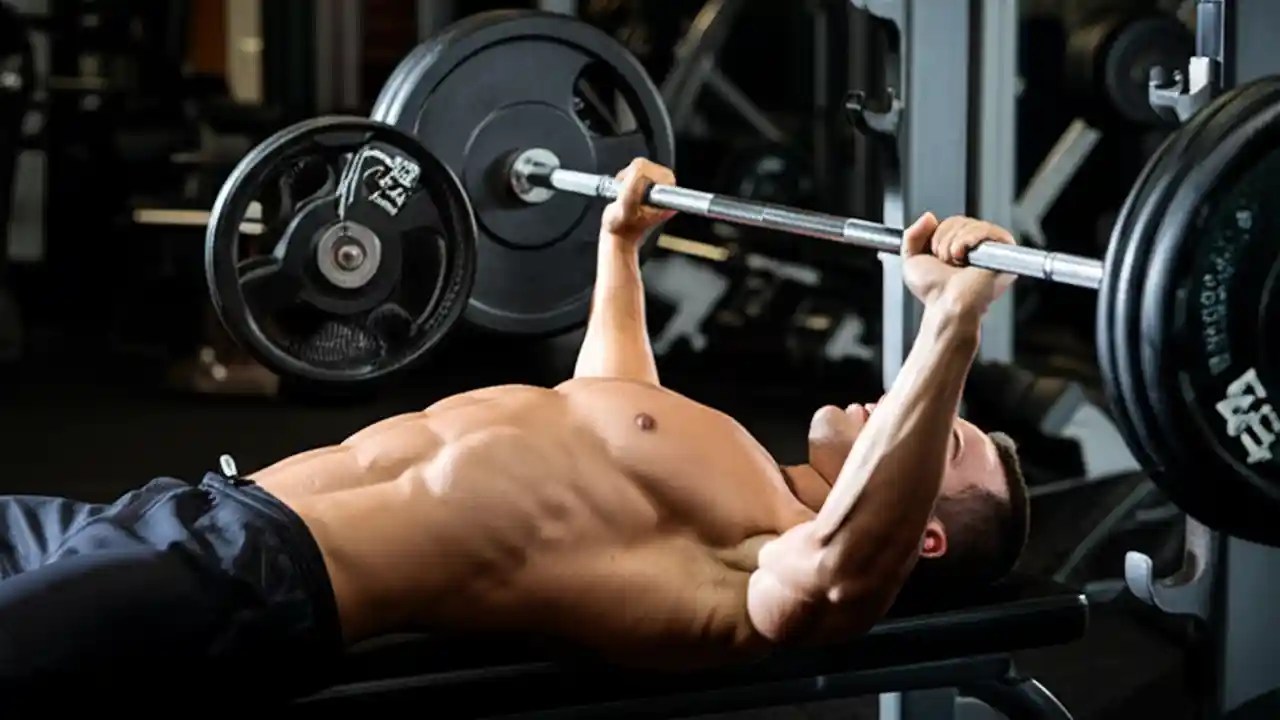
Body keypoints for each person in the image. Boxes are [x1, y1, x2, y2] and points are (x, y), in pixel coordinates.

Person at [0, 159, 1029, 700]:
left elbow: (847, 571)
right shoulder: (718, 465)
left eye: (938, 438)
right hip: (182, 515)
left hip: (247, 584)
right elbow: (597, 405)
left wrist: (950, 323)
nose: (894, 407)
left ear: (919, 535)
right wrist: (617, 247)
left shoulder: (760, 563)